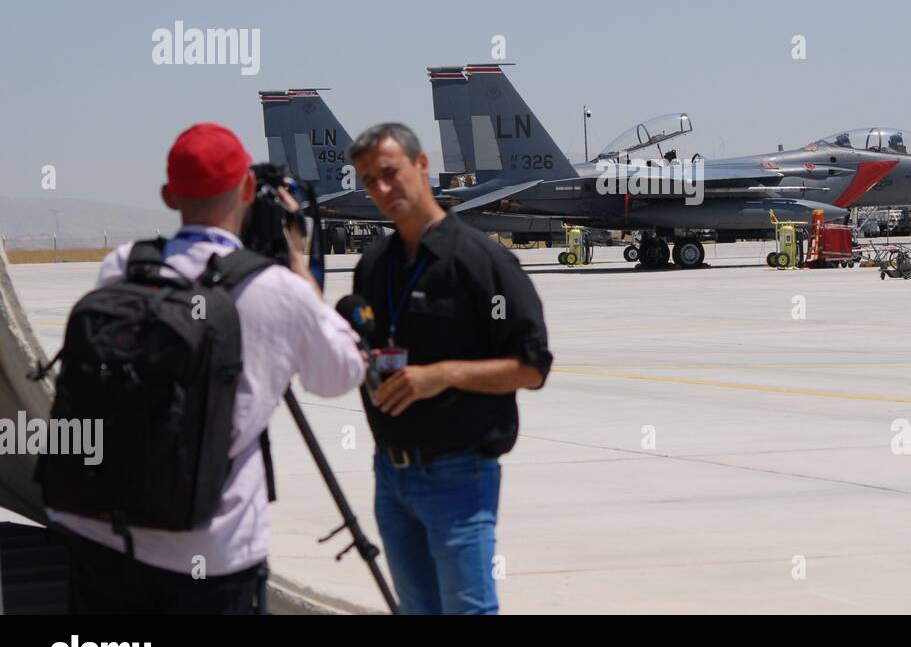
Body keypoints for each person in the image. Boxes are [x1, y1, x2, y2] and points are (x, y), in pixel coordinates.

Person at [47, 123, 366, 613]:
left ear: (169, 195)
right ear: (245, 189)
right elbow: (340, 373)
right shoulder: (278, 288)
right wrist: (300, 266)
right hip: (211, 553)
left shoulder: (124, 265)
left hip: (104, 533)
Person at [348, 122, 551, 615]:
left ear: (422, 166)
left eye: (390, 173)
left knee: (467, 610)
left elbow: (532, 367)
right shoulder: (373, 266)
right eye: (370, 180)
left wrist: (441, 376)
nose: (382, 188)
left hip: (457, 474)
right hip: (390, 475)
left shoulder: (483, 262)